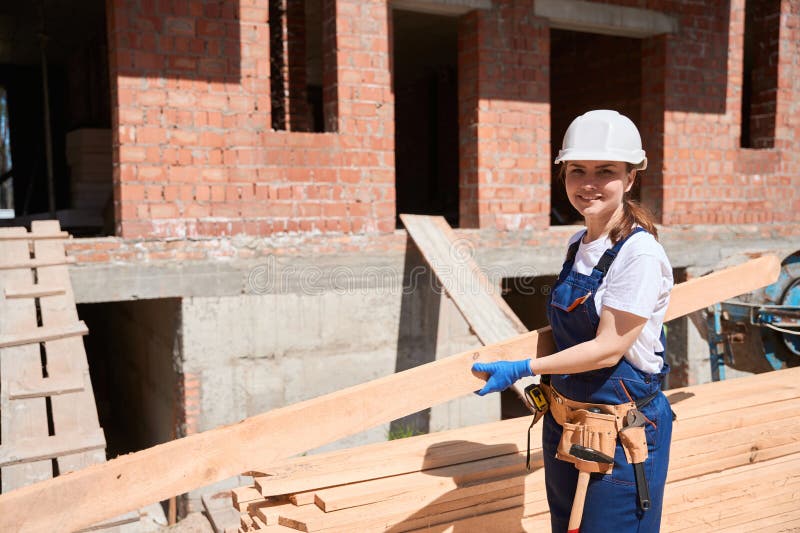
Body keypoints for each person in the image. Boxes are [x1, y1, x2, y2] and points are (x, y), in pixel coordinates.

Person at [472, 109, 674, 532]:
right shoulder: (577, 244)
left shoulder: (639, 254)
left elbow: (607, 348)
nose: (589, 183)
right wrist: (513, 352)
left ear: (631, 177)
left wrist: (524, 368)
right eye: (577, 170)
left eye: (606, 171)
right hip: (566, 422)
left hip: (618, 434)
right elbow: (569, 332)